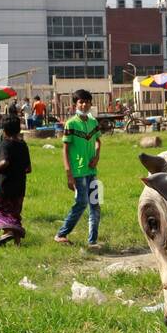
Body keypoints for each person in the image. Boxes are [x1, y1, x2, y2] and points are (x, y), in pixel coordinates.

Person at [55, 89, 102, 249]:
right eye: (81, 102)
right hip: (78, 172)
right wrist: (69, 173)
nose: (84, 104)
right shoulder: (71, 124)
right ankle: (61, 234)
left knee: (95, 204)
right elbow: (65, 150)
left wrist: (96, 157)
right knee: (81, 203)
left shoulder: (93, 122)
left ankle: (93, 241)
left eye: (87, 102)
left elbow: (98, 141)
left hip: (92, 172)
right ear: (75, 104)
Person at [0, 116, 32, 246]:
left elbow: (4, 162)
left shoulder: (5, 143)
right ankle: (17, 243)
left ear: (4, 131)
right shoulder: (23, 145)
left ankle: (8, 233)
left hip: (4, 185)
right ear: (19, 130)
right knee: (15, 212)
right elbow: (28, 169)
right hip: (20, 186)